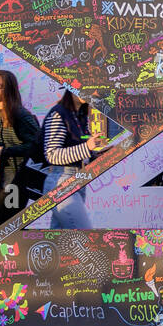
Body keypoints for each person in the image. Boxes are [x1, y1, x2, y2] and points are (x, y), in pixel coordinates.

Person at [40, 89, 110, 229]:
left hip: (74, 180)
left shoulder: (80, 115)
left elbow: (78, 150)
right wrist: (87, 147)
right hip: (61, 181)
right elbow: (51, 154)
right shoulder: (58, 113)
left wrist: (95, 155)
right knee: (83, 233)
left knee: (61, 238)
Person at [0, 69, 40, 226]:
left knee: (5, 224)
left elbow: (37, 146)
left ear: (8, 89)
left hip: (14, 182)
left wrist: (6, 151)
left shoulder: (19, 115)